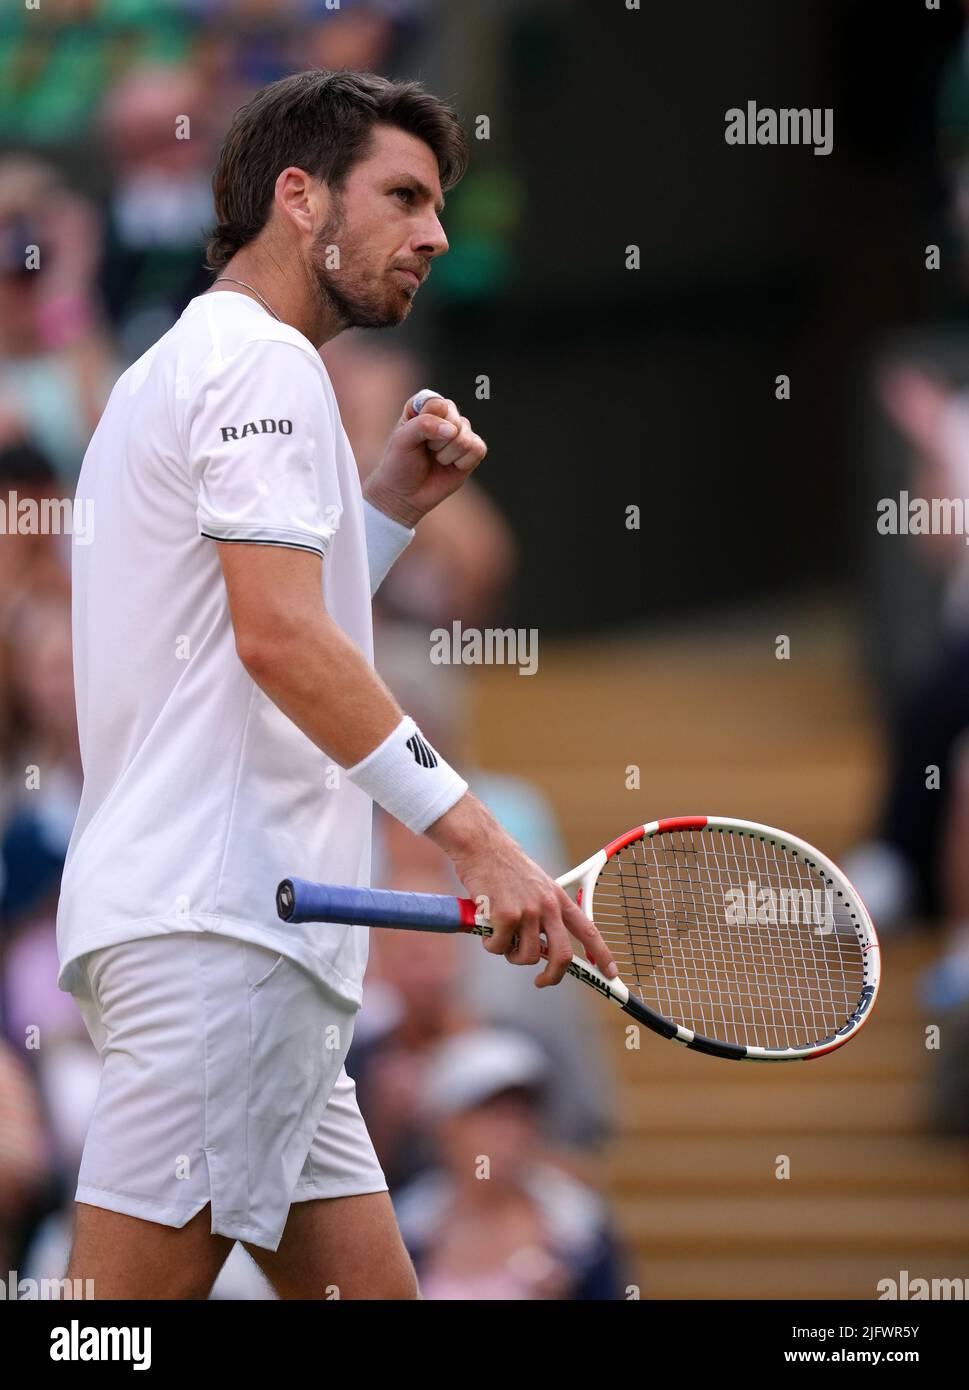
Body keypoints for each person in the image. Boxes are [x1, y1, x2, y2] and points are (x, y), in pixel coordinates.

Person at [57, 67, 617, 1301]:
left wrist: (383, 517)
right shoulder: (266, 367)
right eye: (406, 196)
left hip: (246, 937)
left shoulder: (181, 365)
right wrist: (474, 837)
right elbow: (279, 642)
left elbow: (225, 630)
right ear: (299, 198)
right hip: (224, 935)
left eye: (441, 205)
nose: (437, 234)